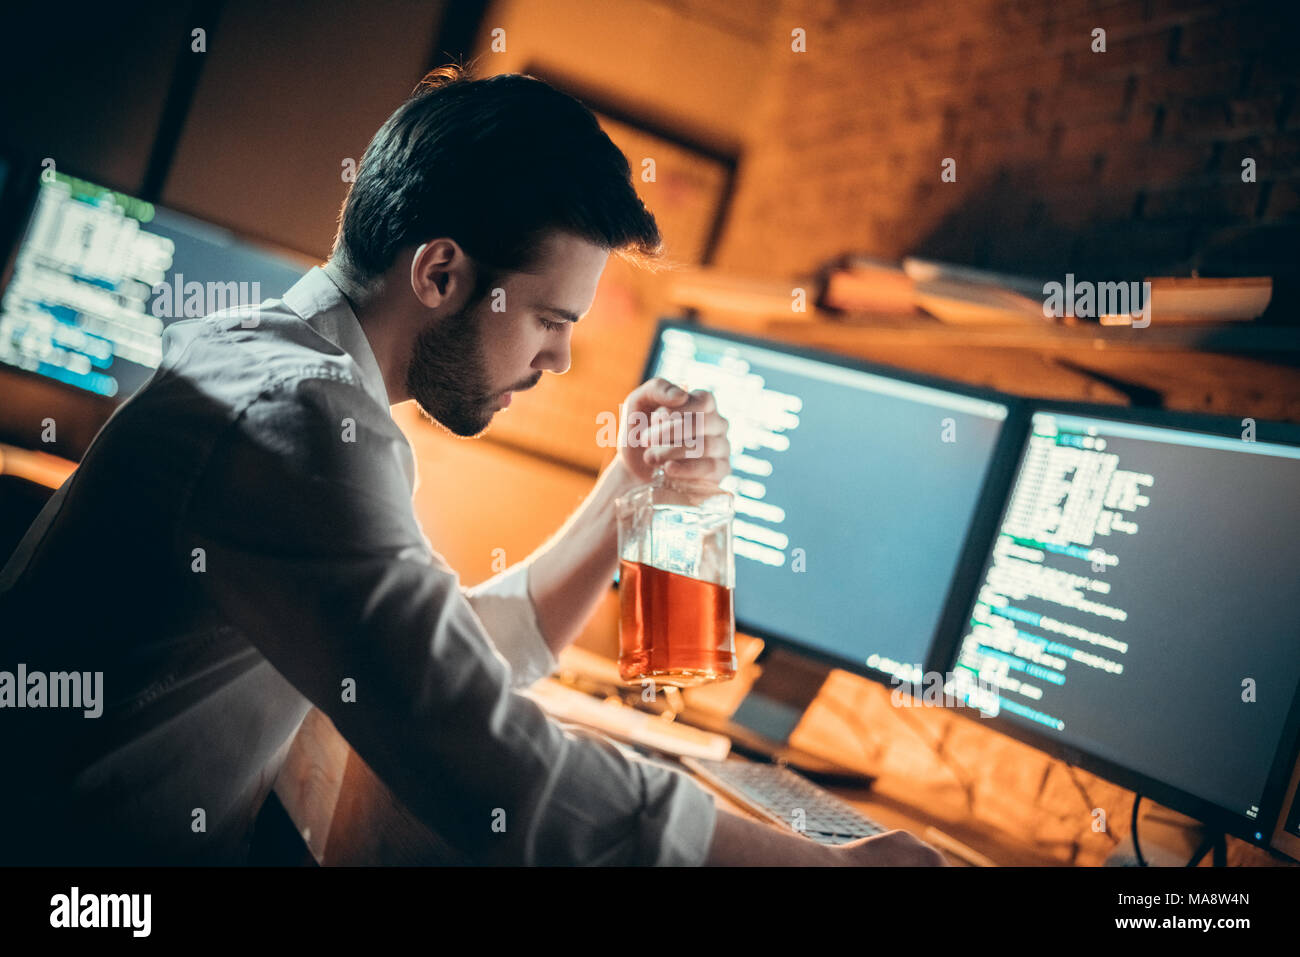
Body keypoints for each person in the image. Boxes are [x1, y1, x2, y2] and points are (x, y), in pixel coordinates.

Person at [0, 65, 944, 867]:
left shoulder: (283, 365)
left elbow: (439, 665)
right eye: (550, 321)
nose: (561, 360)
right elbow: (481, 756)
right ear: (442, 275)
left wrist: (629, 495)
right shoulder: (303, 418)